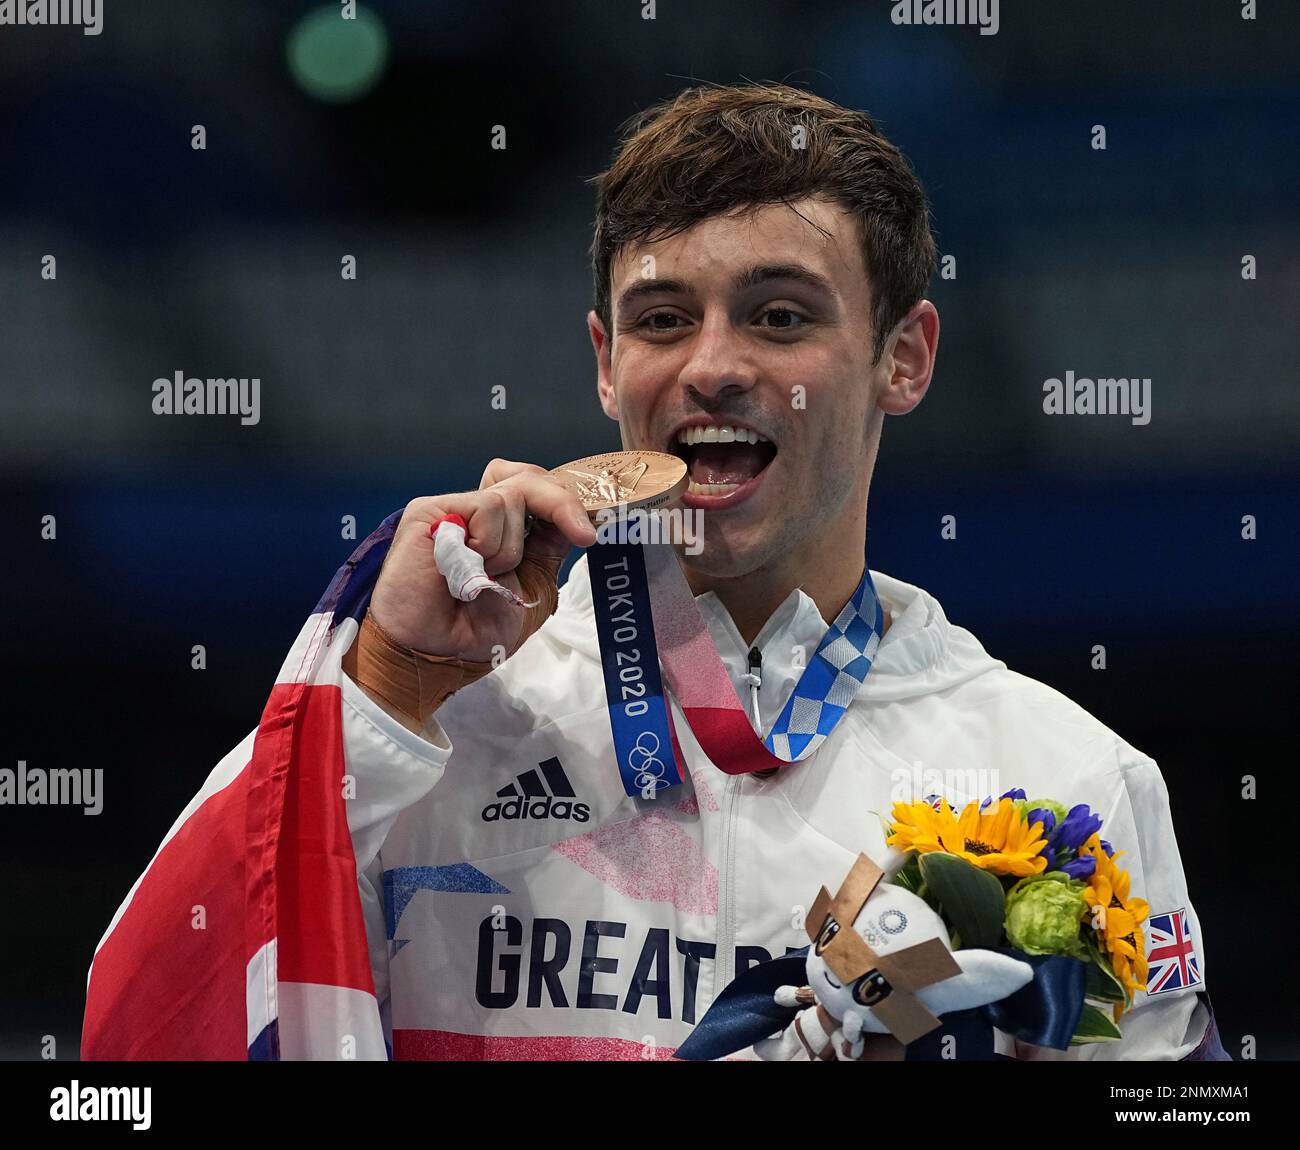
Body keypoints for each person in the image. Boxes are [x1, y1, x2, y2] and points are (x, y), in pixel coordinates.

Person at [85, 82, 1225, 1061]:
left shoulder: (1065, 778)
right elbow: (137, 1034)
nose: (714, 365)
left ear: (905, 357)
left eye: (780, 317)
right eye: (664, 318)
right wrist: (381, 683)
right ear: (604, 363)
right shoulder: (429, 726)